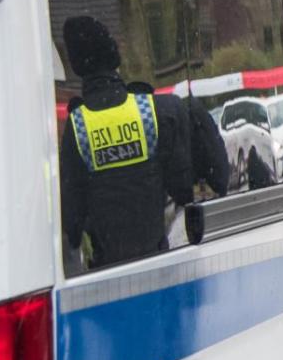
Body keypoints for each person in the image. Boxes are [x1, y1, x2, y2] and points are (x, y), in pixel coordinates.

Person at [58, 16, 228, 269]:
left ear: (76, 65)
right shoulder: (154, 112)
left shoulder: (77, 126)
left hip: (108, 271)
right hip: (161, 259)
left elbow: (71, 221)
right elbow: (183, 188)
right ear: (115, 57)